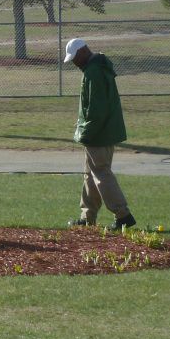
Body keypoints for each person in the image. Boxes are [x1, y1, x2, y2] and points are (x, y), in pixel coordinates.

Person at [63, 38, 137, 230]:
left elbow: (96, 109)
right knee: (90, 174)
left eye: (74, 58)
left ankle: (123, 215)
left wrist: (86, 132)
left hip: (98, 132)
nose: (73, 62)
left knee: (101, 173)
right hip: (104, 130)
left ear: (83, 52)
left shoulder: (93, 73)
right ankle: (88, 216)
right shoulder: (98, 68)